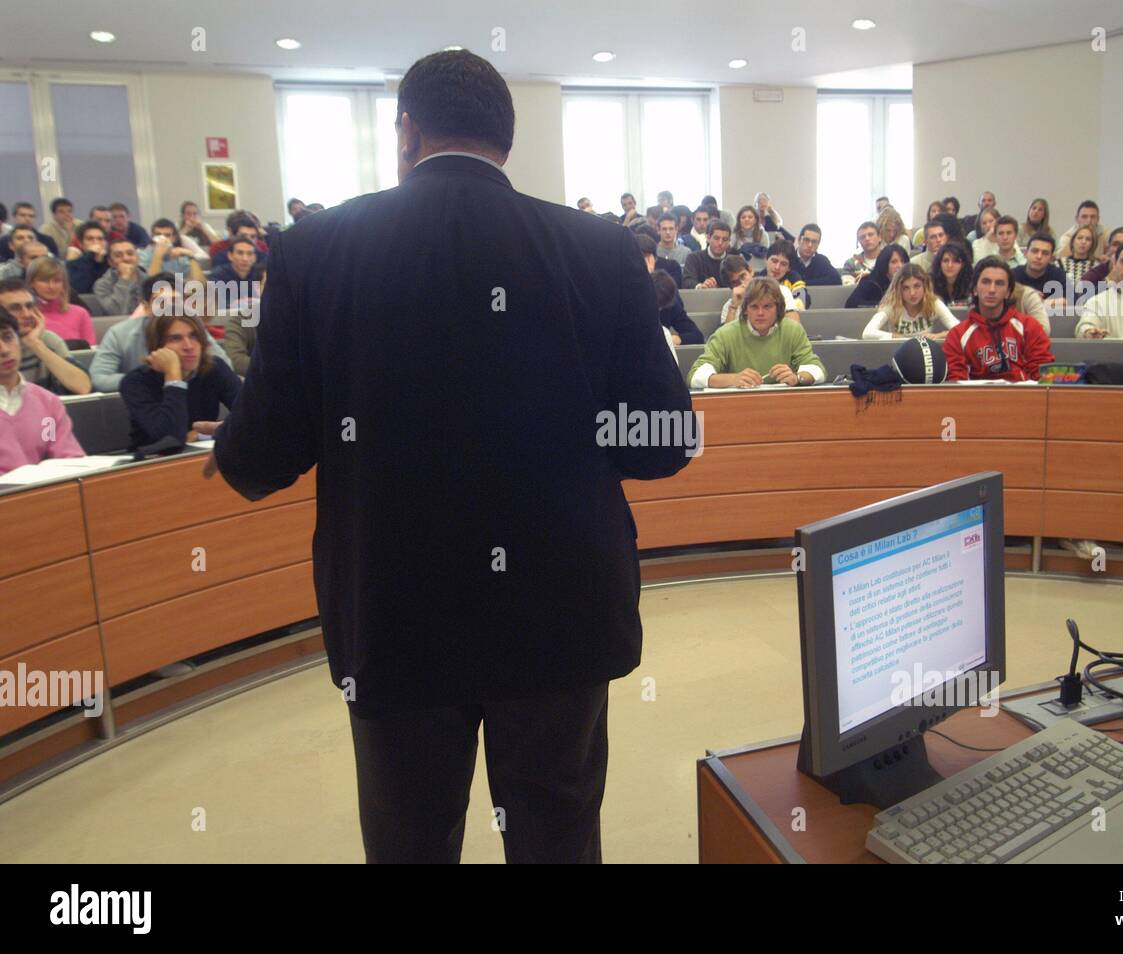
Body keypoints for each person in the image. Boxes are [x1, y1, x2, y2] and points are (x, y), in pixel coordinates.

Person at [209, 50, 692, 864]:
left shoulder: (319, 248)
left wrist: (229, 453)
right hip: (559, 610)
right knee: (557, 836)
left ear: (406, 131)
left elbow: (265, 452)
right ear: (507, 137)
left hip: (397, 613)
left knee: (409, 839)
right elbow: (666, 440)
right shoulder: (601, 249)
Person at [120, 312, 241, 450]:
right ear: (157, 346)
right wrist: (173, 376)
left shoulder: (215, 368)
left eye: (194, 336)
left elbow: (252, 415)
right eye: (175, 338)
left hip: (202, 455)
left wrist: (203, 435)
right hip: (153, 463)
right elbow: (170, 439)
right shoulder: (135, 382)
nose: (189, 346)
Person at [90, 275, 232, 392]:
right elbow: (99, 378)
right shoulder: (119, 333)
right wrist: (155, 378)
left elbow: (225, 366)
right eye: (161, 303)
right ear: (146, 307)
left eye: (176, 302)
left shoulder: (192, 330)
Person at [688, 277, 825, 389]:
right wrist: (733, 379)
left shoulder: (793, 330)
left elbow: (817, 369)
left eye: (767, 306)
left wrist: (798, 378)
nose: (760, 313)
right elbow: (695, 376)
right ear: (745, 309)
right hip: (737, 406)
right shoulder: (726, 334)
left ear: (778, 309)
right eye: (754, 306)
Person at [0, 312, 85, 476]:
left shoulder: (47, 402)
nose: (4, 350)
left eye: (8, 337)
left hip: (42, 495)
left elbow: (68, 459)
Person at [943, 259, 1054, 381]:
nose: (992, 290)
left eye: (999, 283)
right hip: (977, 398)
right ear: (974, 289)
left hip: (1023, 397)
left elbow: (1042, 375)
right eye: (986, 282)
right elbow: (957, 382)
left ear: (1008, 292)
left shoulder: (1029, 327)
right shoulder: (957, 335)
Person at [0, 278, 91, 395]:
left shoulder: (48, 340)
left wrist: (35, 344)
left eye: (29, 306)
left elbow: (83, 387)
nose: (27, 314)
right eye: (15, 308)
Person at [861, 265, 958, 341]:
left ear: (925, 286)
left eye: (917, 286)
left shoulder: (933, 303)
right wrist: (896, 337)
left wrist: (938, 336)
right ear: (899, 290)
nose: (912, 293)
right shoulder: (892, 305)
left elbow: (961, 330)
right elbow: (867, 333)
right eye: (906, 288)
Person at [28, 258, 96, 346]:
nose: (51, 286)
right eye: (44, 281)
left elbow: (90, 350)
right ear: (31, 283)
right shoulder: (26, 315)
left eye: (57, 281)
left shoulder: (80, 313)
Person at [718, 254, 800, 325]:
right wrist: (733, 307)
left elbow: (795, 327)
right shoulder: (729, 307)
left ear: (750, 271)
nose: (742, 283)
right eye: (735, 282)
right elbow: (726, 341)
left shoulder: (781, 291)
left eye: (743, 276)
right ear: (731, 287)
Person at [1013, 233, 1071, 305]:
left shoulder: (1058, 275)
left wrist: (1040, 303)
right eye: (1035, 251)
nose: (1039, 256)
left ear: (1051, 258)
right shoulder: (1013, 274)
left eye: (1045, 253)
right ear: (1025, 253)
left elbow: (1071, 300)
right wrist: (1029, 296)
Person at [1076, 226, 1123, 293]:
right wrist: (1108, 280)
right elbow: (1080, 299)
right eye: (1116, 244)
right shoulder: (1094, 274)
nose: (1120, 249)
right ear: (1108, 247)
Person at [93, 238, 147, 315]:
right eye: (118, 255)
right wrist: (124, 279)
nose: (126, 258)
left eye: (130, 253)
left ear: (138, 258)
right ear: (110, 262)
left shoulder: (150, 281)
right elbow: (117, 313)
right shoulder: (101, 285)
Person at [140, 218, 207, 281]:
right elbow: (150, 284)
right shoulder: (142, 255)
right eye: (158, 234)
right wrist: (158, 254)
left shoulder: (180, 257)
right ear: (152, 237)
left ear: (174, 238)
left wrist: (190, 256)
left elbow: (201, 284)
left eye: (167, 235)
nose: (163, 238)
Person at [650, 270, 703, 345]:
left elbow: (697, 336)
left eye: (661, 307)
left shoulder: (671, 305)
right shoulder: (633, 304)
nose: (658, 310)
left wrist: (676, 339)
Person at [847, 244, 910, 309]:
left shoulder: (910, 281)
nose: (900, 265)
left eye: (903, 261)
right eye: (894, 262)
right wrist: (883, 305)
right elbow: (851, 303)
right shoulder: (870, 282)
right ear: (884, 264)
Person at [683, 219, 732, 289]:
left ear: (729, 242)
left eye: (724, 239)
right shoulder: (694, 258)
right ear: (708, 238)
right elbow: (687, 281)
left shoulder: (734, 261)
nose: (720, 243)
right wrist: (700, 286)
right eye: (716, 238)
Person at [66, 221, 111, 293]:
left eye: (100, 239)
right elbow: (79, 289)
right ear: (81, 244)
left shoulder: (112, 263)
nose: (96, 242)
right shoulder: (72, 265)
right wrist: (90, 256)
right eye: (90, 239)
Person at [765, 240, 810, 311]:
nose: (777, 267)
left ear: (789, 268)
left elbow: (801, 302)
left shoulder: (793, 278)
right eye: (774, 261)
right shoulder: (756, 279)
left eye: (783, 264)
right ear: (766, 259)